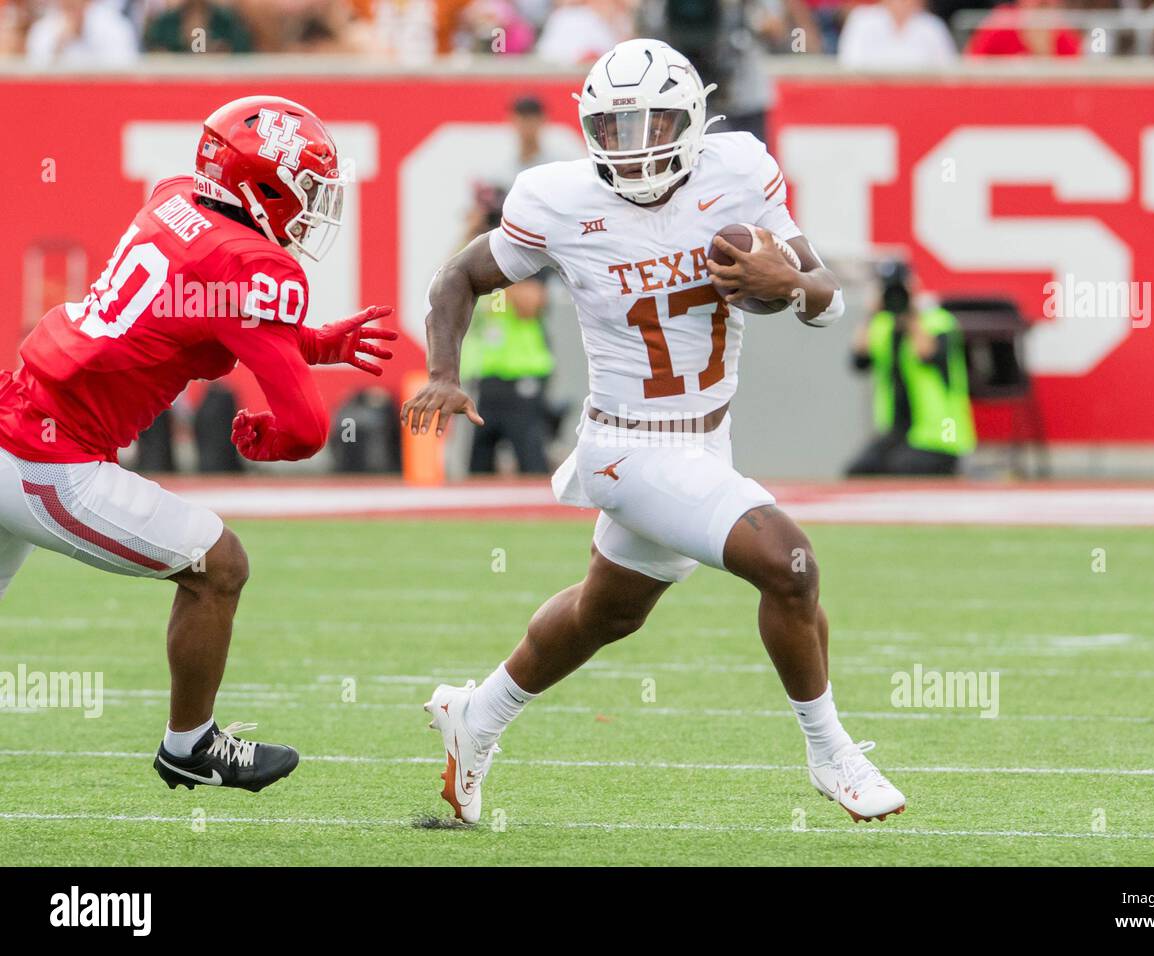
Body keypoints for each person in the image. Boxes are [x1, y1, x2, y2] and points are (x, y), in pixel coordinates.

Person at [402, 38, 906, 827]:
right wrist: (442, 370)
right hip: (626, 445)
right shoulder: (557, 197)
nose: (634, 148)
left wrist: (790, 284)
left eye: (653, 124)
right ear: (587, 130)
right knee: (791, 565)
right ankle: (830, 750)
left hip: (707, 438)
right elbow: (459, 276)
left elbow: (828, 301)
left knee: (607, 614)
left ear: (694, 119)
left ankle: (479, 715)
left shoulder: (738, 169)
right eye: (613, 128)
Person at [0, 95, 396, 793]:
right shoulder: (254, 266)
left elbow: (193, 307)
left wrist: (314, 342)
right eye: (305, 191)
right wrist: (266, 439)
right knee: (220, 566)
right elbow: (305, 430)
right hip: (48, 463)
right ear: (263, 186)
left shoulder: (175, 199)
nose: (310, 211)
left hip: (18, 417)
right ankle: (191, 746)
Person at [459, 183, 555, 475]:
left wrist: (496, 257)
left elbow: (530, 305)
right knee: (478, 470)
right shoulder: (475, 256)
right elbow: (446, 283)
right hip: (486, 381)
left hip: (522, 379)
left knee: (531, 464)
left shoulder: (526, 255)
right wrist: (472, 241)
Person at [845, 261, 975, 475]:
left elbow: (927, 354)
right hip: (896, 433)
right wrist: (870, 314)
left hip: (940, 435)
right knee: (860, 469)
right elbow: (859, 359)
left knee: (901, 469)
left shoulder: (938, 322)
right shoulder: (882, 325)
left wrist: (910, 311)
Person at [838, 0, 956, 68]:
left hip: (920, 102)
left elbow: (948, 73)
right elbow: (848, 66)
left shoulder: (932, 26)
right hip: (868, 100)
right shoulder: (861, 19)